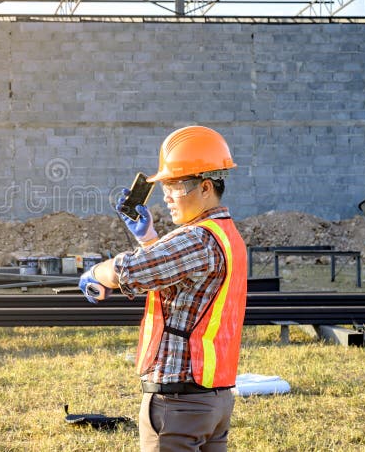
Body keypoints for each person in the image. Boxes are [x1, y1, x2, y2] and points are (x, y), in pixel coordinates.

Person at [78, 125, 247, 452]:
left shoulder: (196, 238)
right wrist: (148, 238)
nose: (166, 196)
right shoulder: (226, 235)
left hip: (179, 403)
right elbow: (182, 282)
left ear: (205, 186)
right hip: (213, 400)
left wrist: (95, 273)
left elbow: (130, 271)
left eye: (173, 186)